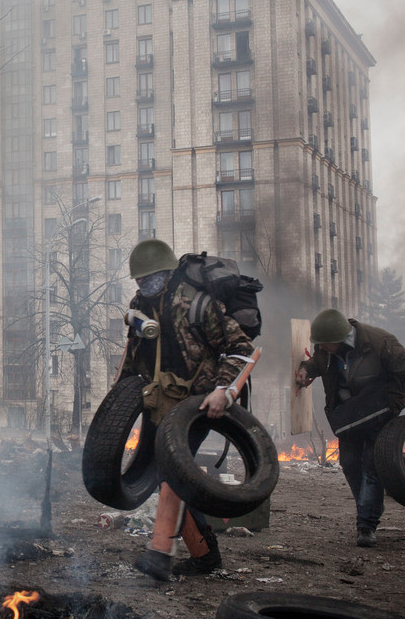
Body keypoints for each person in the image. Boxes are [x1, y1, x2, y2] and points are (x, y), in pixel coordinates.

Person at [117, 239, 257, 581]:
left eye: (149, 278)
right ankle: (205, 555)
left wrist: (223, 391)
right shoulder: (141, 304)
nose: (143, 285)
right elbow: (134, 355)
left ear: (166, 273)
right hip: (158, 401)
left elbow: (241, 349)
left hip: (196, 404)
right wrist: (117, 403)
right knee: (169, 476)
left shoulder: (198, 304)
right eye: (138, 280)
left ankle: (159, 555)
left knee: (173, 473)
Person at [295, 308, 405, 548]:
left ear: (338, 339)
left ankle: (366, 525)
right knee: (349, 463)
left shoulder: (379, 342)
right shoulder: (325, 350)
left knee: (370, 465)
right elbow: (318, 362)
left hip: (381, 408)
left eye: (325, 344)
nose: (322, 348)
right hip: (350, 416)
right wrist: (306, 369)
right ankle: (368, 506)